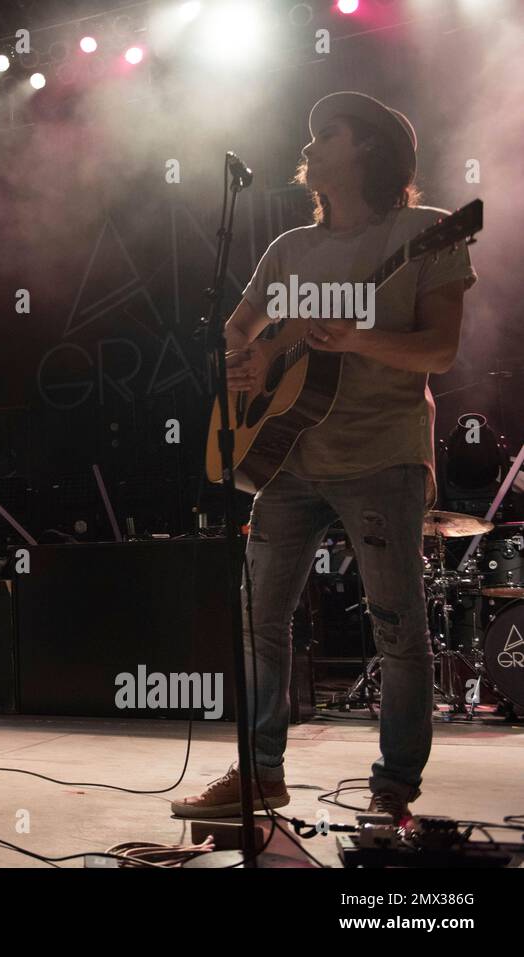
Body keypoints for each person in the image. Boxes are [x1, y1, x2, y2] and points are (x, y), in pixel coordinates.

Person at [172, 92, 476, 822]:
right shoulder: (288, 250)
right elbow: (235, 331)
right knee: (258, 620)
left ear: (367, 149)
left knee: (397, 623)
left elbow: (440, 348)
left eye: (324, 135)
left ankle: (393, 786)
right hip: (286, 460)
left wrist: (357, 337)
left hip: (382, 456)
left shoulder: (429, 233)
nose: (306, 147)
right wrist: (243, 364)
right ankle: (259, 775)